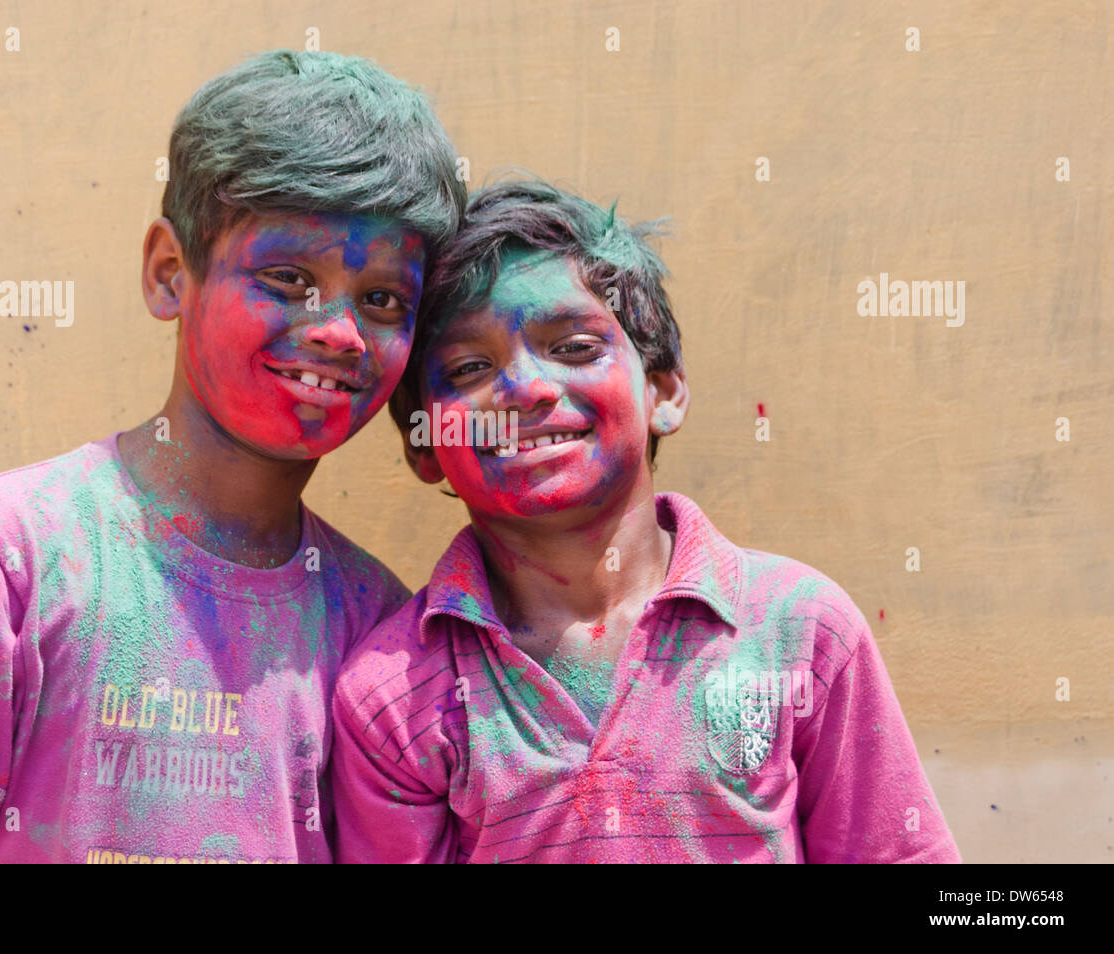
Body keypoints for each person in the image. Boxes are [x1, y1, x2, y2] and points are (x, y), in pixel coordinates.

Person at [0, 49, 466, 864]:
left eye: (383, 299)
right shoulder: (2, 552)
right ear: (170, 273)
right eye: (287, 277)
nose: (338, 330)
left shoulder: (376, 626)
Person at [331, 178, 961, 863]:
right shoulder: (393, 694)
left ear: (663, 390)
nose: (528, 389)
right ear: (423, 443)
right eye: (470, 366)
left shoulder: (800, 631)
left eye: (573, 346)